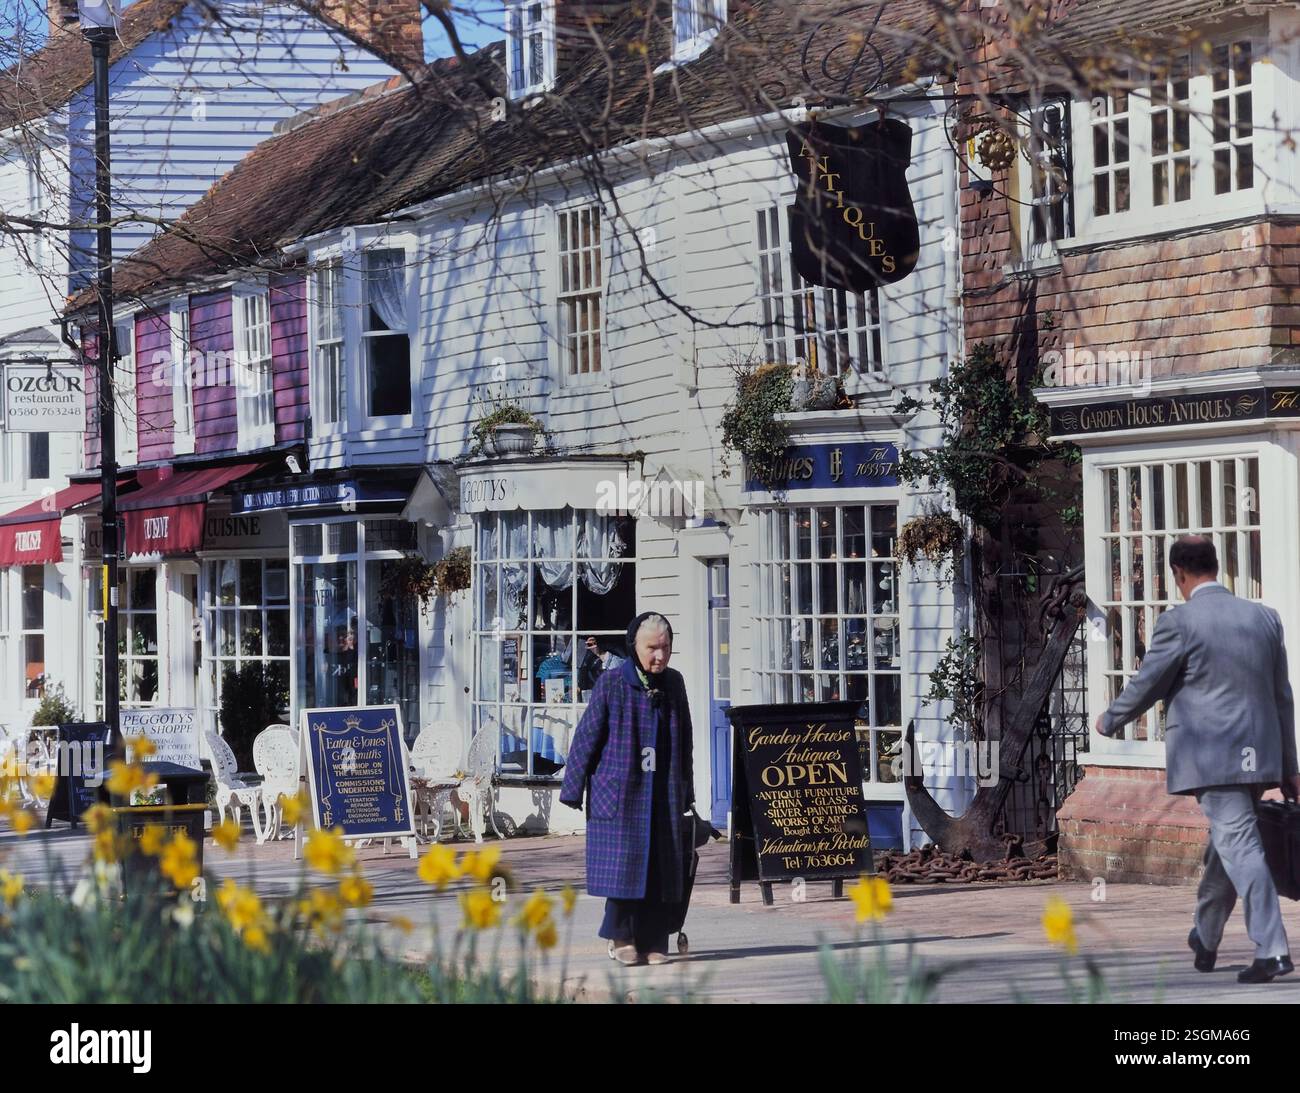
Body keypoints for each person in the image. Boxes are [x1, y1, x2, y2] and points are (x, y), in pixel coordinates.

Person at [1095, 535, 1300, 984]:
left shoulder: (1179, 623)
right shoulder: (1265, 618)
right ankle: (1205, 938)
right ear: (1217, 567)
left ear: (1179, 575)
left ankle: (1272, 950)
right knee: (1227, 850)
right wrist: (1289, 766)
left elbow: (1150, 682)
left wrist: (1110, 719)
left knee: (1241, 848)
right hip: (1260, 754)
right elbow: (1282, 697)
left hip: (1214, 757)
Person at [560, 611, 695, 965]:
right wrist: (573, 788)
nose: (660, 656)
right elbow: (587, 736)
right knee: (624, 870)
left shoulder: (674, 683)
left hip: (662, 792)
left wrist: (686, 790)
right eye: (652, 649)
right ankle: (620, 938)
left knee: (659, 871)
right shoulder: (612, 683)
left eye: (665, 648)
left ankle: (654, 942)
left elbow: (685, 740)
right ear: (635, 647)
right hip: (619, 793)